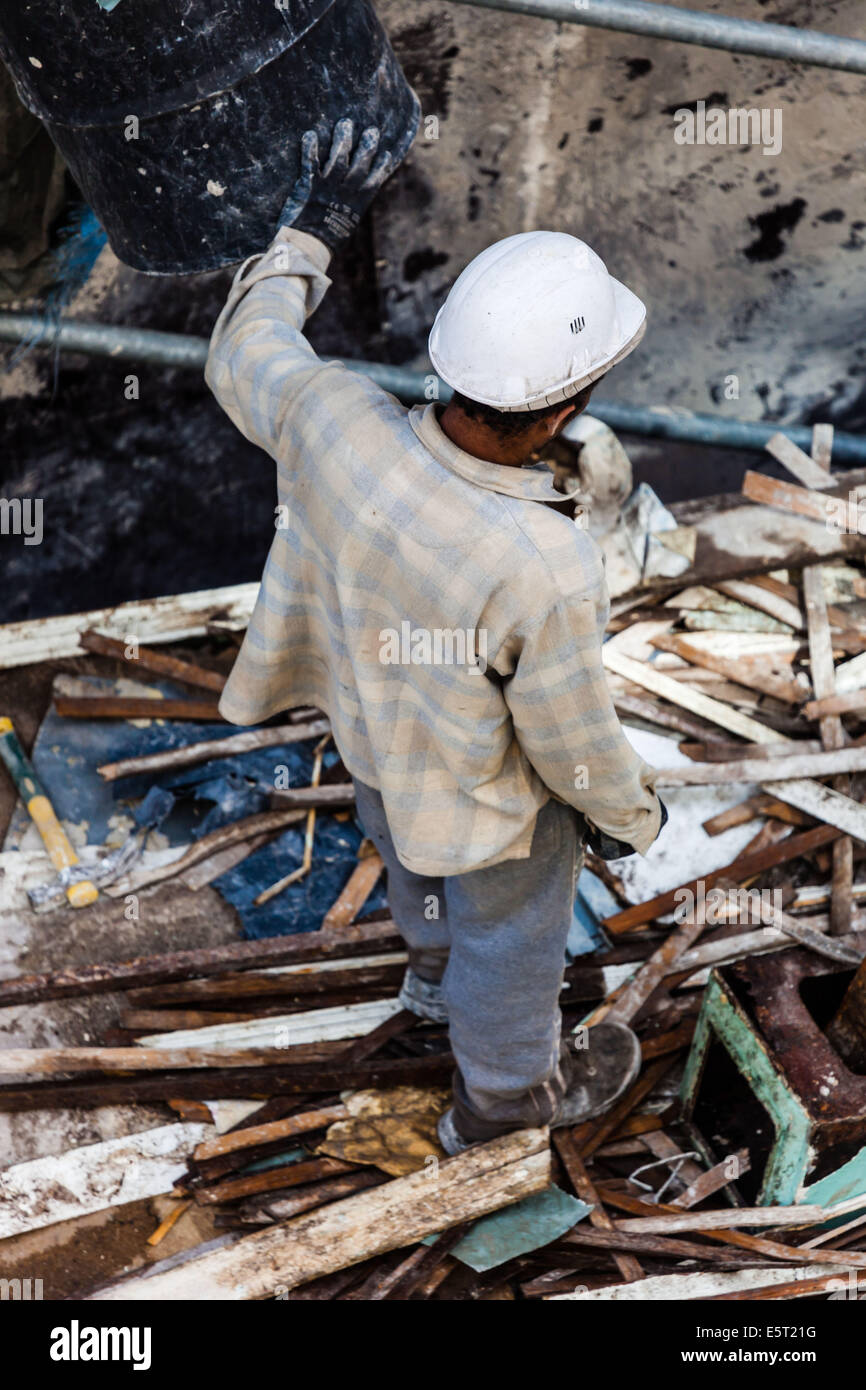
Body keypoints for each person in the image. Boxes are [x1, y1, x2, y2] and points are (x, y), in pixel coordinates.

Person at [207, 118, 666, 1155]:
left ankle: (426, 975)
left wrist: (307, 233)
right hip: (481, 801)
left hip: (369, 730)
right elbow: (568, 740)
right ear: (559, 413)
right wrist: (628, 814)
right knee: (511, 936)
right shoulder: (540, 561)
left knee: (407, 846)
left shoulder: (332, 415)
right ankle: (499, 1104)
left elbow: (247, 348)